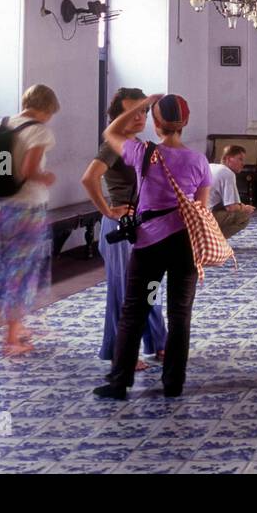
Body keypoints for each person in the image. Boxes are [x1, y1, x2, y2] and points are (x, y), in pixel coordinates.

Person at [94, 93, 211, 400]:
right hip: (184, 244)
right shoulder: (199, 161)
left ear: (156, 124)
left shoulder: (143, 152)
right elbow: (202, 209)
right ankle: (173, 384)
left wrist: (141, 103)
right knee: (180, 315)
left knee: (134, 311)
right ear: (185, 123)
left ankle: (120, 383)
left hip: (149, 244)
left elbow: (111, 133)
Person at [80, 87, 166, 371]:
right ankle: (118, 352)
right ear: (119, 116)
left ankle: (157, 343)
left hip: (141, 225)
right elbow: (89, 178)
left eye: (143, 110)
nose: (139, 116)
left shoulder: (138, 143)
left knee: (150, 285)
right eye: (132, 111)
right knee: (123, 291)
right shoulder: (112, 146)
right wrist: (107, 210)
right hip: (118, 226)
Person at [0, 83, 59, 357]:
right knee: (22, 269)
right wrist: (47, 177)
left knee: (5, 265)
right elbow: (29, 171)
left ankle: (15, 326)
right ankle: (12, 338)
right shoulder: (39, 131)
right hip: (25, 208)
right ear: (46, 109)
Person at [208, 145, 255, 242]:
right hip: (206, 216)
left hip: (192, 214)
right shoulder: (227, 173)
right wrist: (245, 208)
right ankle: (215, 242)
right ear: (229, 159)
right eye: (240, 159)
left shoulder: (211, 166)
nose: (243, 164)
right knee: (243, 217)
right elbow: (231, 207)